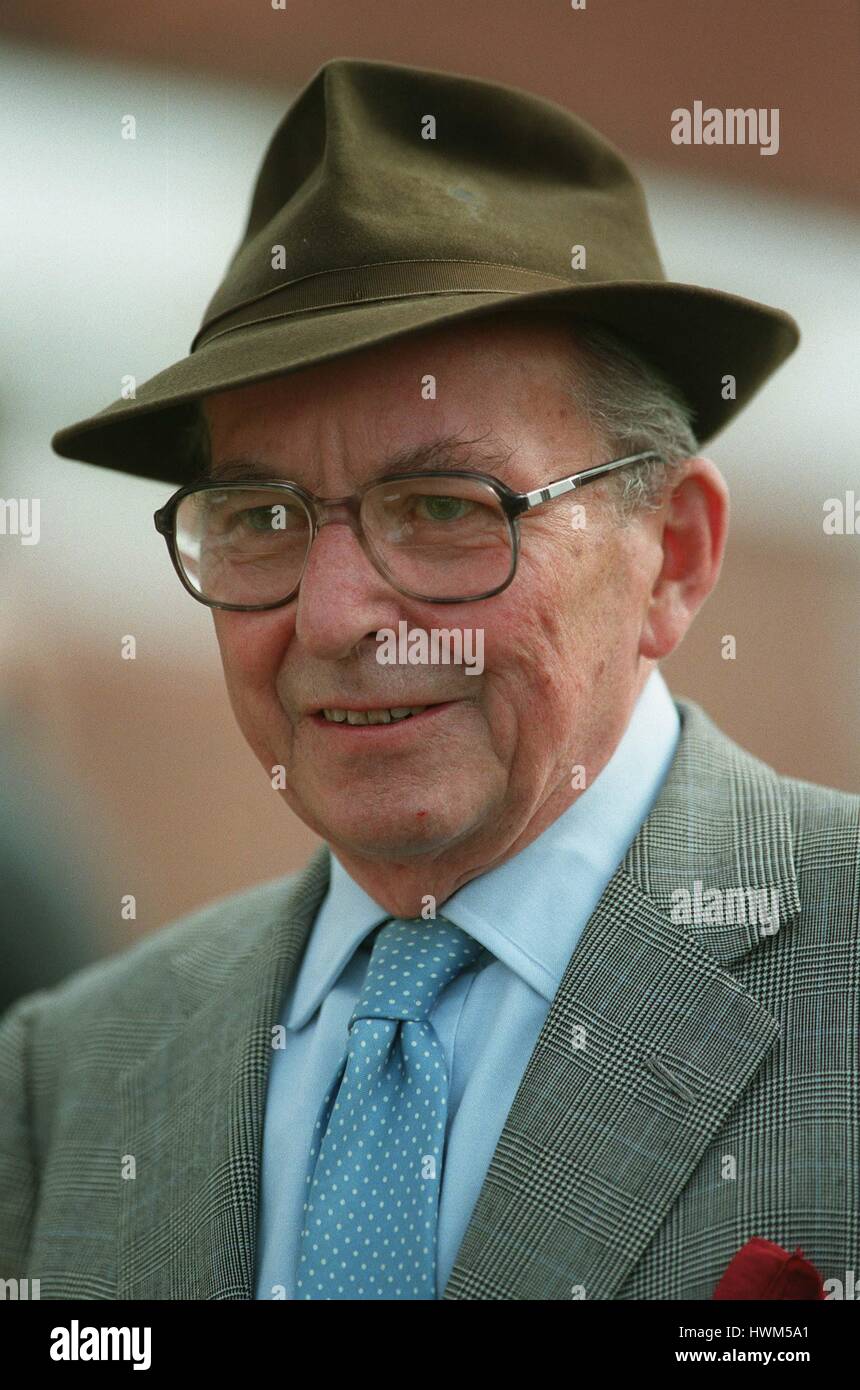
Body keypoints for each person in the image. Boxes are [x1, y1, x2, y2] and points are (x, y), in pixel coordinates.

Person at [1, 57, 855, 1302]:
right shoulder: (66, 1077)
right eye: (260, 518)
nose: (336, 614)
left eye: (447, 508)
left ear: (670, 554)